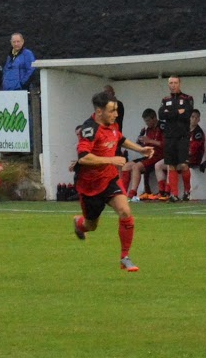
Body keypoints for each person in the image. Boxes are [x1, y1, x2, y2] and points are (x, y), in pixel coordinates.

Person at [72, 91, 152, 272]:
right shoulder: (89, 129)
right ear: (99, 112)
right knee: (90, 225)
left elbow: (120, 139)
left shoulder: (113, 125)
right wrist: (111, 160)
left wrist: (140, 150)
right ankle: (79, 224)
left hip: (109, 179)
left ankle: (125, 257)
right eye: (112, 111)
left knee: (125, 211)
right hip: (89, 185)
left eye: (116, 110)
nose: (116, 114)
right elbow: (83, 157)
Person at [158, 74, 195, 201]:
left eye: (175, 83)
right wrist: (177, 112)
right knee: (171, 165)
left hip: (183, 136)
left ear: (180, 84)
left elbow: (187, 114)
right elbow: (161, 114)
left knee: (183, 165)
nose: (173, 85)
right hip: (169, 137)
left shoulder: (187, 98)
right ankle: (174, 194)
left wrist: (171, 113)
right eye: (171, 83)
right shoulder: (165, 99)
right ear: (168, 84)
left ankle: (187, 191)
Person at [127, 109, 164, 199]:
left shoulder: (163, 126)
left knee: (136, 167)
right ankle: (123, 193)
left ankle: (132, 194)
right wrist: (141, 140)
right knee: (126, 166)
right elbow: (141, 144)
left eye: (148, 120)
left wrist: (150, 141)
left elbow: (165, 144)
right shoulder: (146, 129)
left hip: (159, 155)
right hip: (148, 156)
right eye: (145, 121)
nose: (147, 123)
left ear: (154, 118)